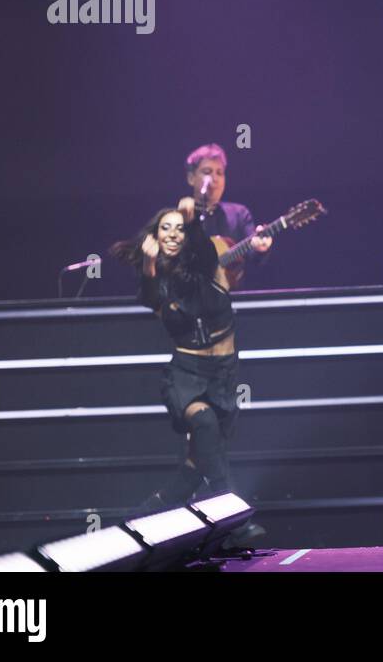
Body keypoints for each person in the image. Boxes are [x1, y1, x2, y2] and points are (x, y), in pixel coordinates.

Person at [110, 196, 264, 547]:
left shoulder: (205, 262)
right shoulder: (156, 280)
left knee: (196, 470)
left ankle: (135, 523)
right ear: (155, 234)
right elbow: (152, 296)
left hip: (223, 372)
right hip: (186, 374)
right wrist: (149, 266)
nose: (173, 234)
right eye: (167, 228)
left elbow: (204, 248)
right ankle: (234, 519)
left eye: (180, 228)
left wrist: (193, 221)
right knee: (204, 422)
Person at [185, 143, 272, 286]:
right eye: (207, 172)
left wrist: (261, 249)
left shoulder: (239, 214)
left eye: (219, 173)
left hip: (229, 297)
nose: (214, 178)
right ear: (191, 178)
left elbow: (254, 259)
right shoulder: (178, 216)